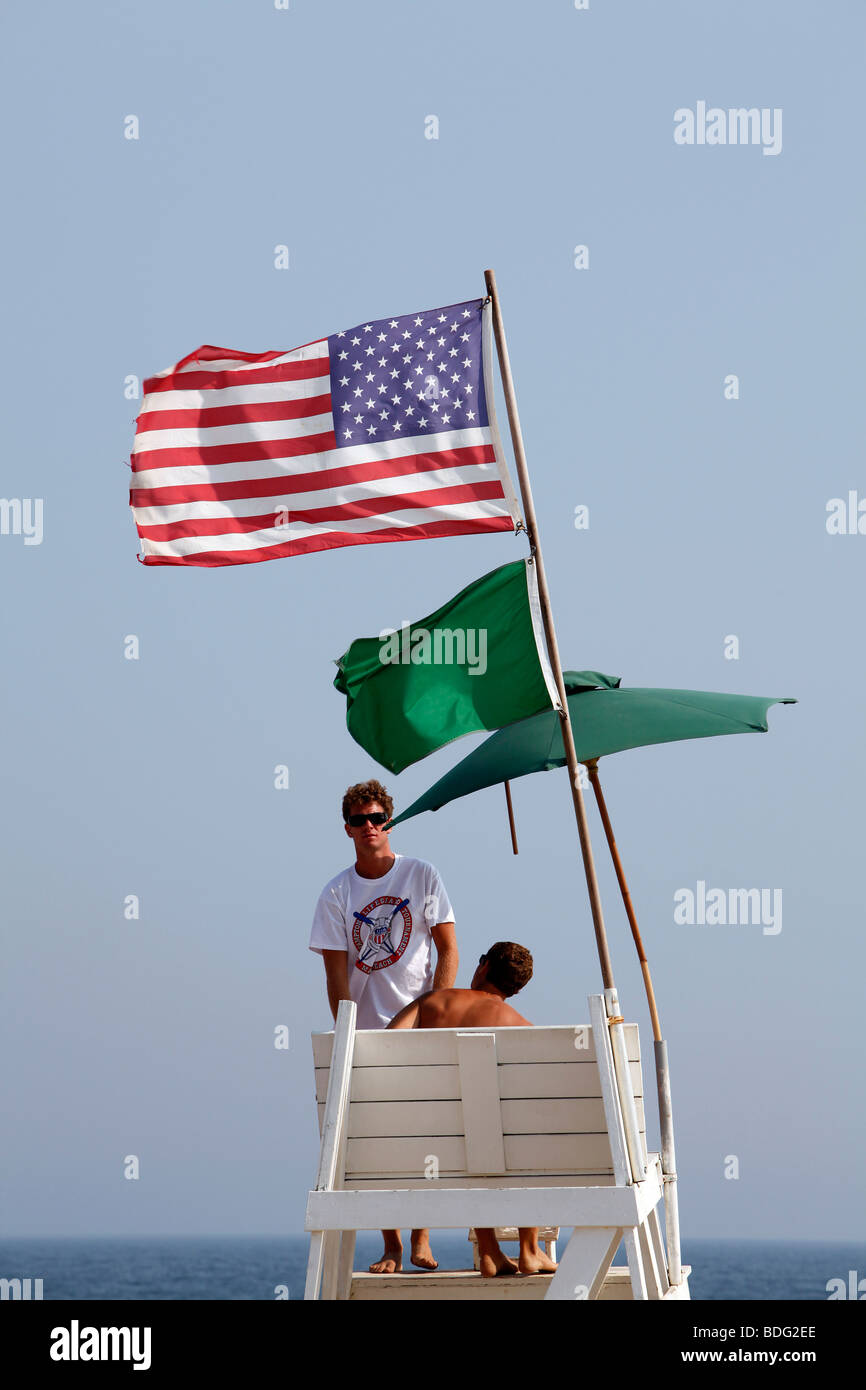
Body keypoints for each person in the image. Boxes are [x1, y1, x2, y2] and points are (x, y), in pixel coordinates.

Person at [309, 779, 458, 1276]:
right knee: (375, 1144)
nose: (370, 827)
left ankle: (421, 1238)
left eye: (377, 818)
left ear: (390, 821)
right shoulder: (337, 893)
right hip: (367, 1035)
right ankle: (391, 1245)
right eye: (359, 820)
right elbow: (335, 976)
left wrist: (434, 1014)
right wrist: (350, 1034)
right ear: (347, 828)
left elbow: (448, 949)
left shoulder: (422, 874)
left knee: (425, 1138)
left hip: (420, 1028)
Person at [388, 942, 558, 1278]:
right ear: (518, 988)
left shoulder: (432, 1002)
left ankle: (490, 1251)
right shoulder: (523, 1027)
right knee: (522, 1137)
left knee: (469, 1137)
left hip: (430, 1147)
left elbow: (386, 1047)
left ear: (483, 967)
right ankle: (529, 1250)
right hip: (499, 1150)